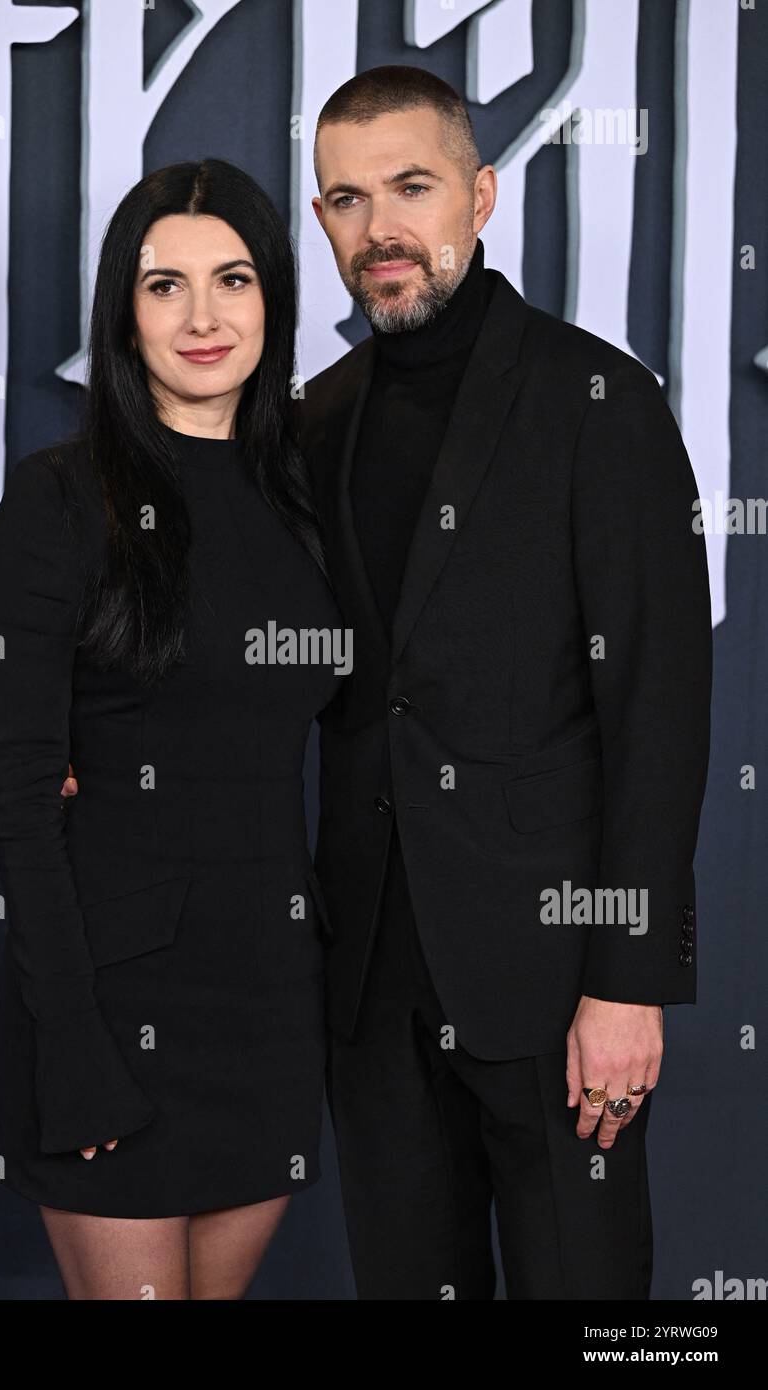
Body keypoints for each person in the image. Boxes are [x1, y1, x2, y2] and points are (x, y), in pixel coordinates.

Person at [296, 65, 712, 1299]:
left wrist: (627, 984)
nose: (381, 230)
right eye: (345, 201)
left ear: (479, 197)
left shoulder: (603, 403)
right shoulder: (313, 421)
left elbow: (660, 706)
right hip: (371, 975)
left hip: (554, 984)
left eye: (411, 188)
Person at [0, 159, 343, 1299]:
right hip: (112, 1004)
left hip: (271, 1002)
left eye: (231, 278)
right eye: (162, 285)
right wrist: (74, 1050)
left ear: (274, 296)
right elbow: (23, 800)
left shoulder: (310, 497)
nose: (202, 316)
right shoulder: (57, 499)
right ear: (121, 316)